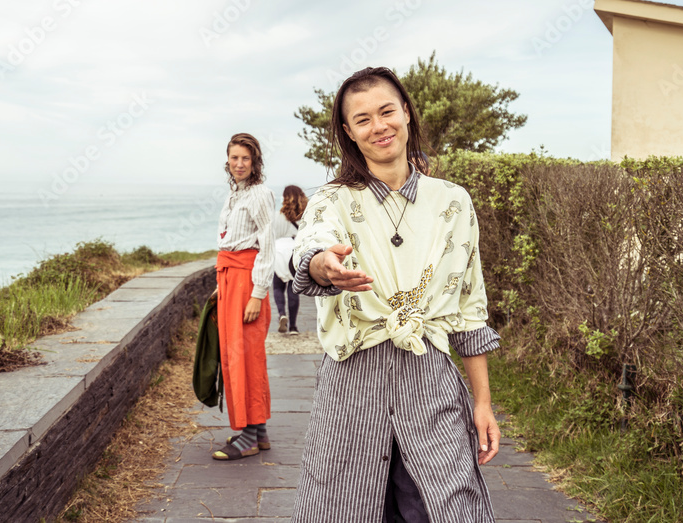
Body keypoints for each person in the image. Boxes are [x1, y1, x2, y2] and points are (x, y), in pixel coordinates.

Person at [290, 67, 501, 522]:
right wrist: (325, 265)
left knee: (446, 505)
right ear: (348, 132)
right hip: (352, 386)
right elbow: (312, 245)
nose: (378, 126)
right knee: (342, 506)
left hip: (430, 379)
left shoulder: (453, 202)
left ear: (406, 112)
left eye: (387, 111)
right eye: (362, 119)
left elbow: (470, 309)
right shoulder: (331, 200)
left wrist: (483, 404)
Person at [212, 133, 275, 460]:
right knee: (236, 354)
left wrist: (257, 293)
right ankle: (259, 430)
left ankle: (247, 436)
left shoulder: (260, 194)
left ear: (255, 162)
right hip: (231, 280)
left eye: (245, 159)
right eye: (234, 158)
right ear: (228, 160)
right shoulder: (235, 194)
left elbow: (267, 244)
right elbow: (230, 240)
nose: (239, 164)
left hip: (248, 282)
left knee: (245, 356)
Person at [272, 185, 308, 335]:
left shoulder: (277, 216)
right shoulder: (304, 216)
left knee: (277, 286)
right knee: (293, 288)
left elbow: (271, 235)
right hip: (295, 251)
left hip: (279, 250)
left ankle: (282, 314)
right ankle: (293, 326)